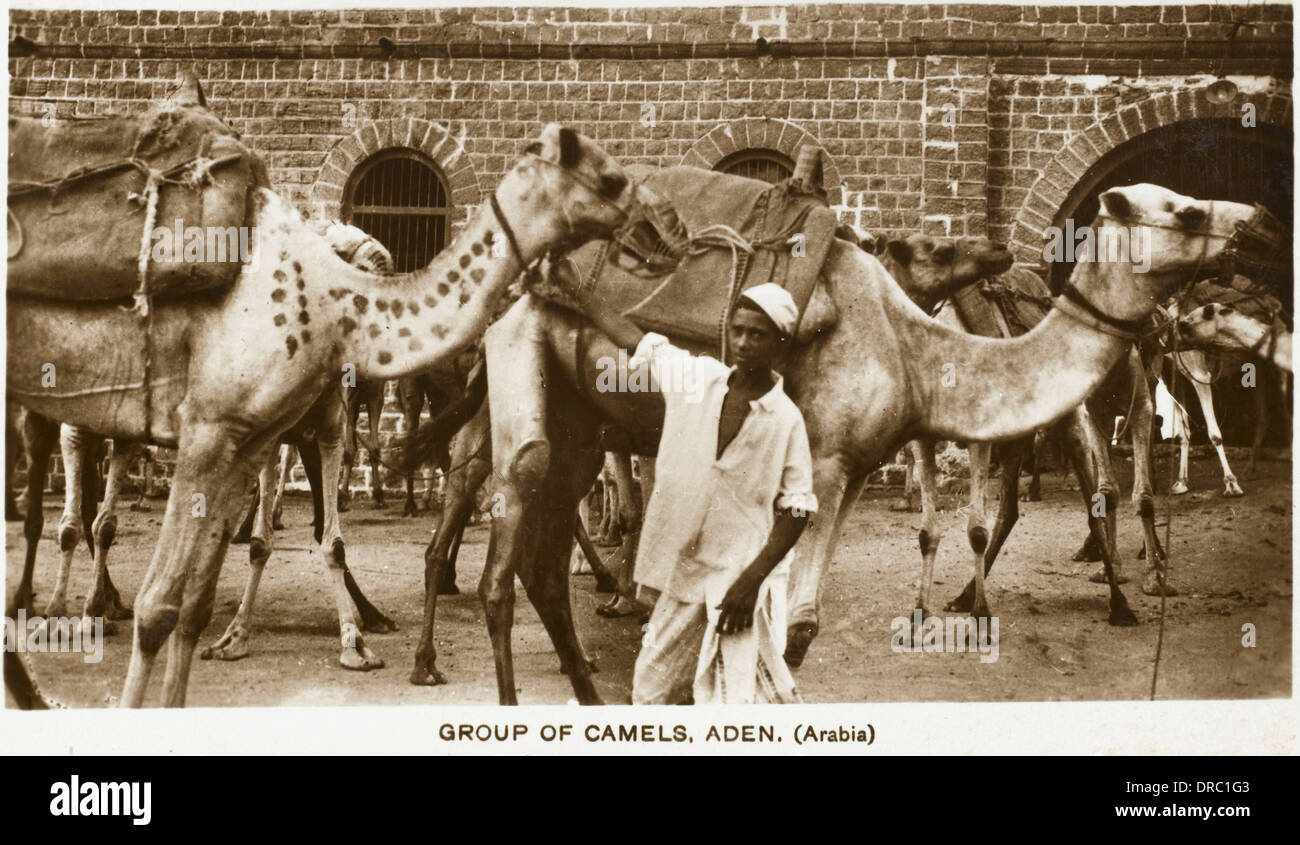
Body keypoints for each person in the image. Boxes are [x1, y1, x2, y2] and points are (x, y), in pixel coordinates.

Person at [572, 281, 818, 704]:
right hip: (686, 573)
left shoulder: (786, 419)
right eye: (738, 331)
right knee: (651, 690)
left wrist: (750, 582)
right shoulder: (699, 380)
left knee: (741, 699)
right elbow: (638, 342)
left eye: (757, 335)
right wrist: (578, 292)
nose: (742, 343)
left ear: (780, 343)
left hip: (744, 582)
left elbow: (797, 508)